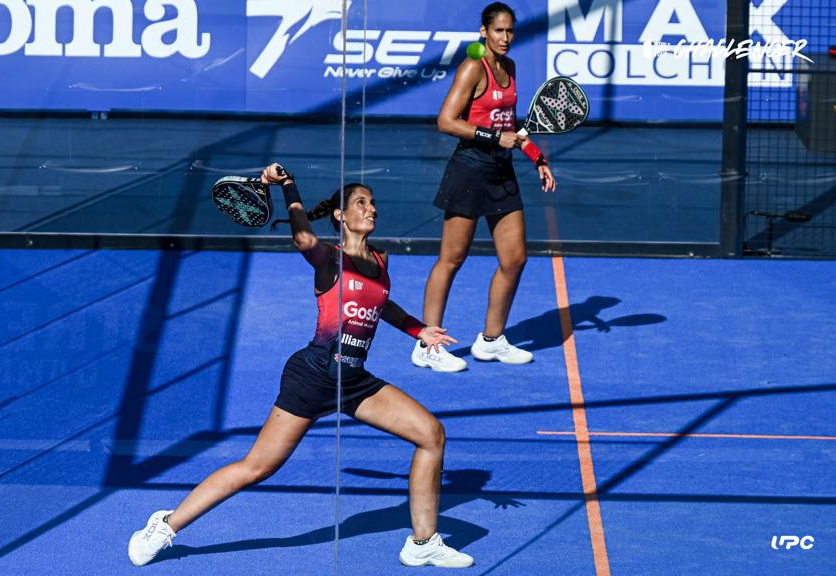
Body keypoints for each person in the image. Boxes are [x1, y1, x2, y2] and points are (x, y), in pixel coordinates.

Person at [128, 163, 474, 569]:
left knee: (431, 434)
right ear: (341, 216)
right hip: (312, 375)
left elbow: (382, 305)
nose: (372, 209)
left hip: (355, 380)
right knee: (257, 467)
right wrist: (289, 186)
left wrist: (419, 331)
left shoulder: (381, 261)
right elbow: (303, 236)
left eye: (374, 203)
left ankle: (422, 542)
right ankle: (166, 525)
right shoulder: (328, 259)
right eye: (362, 202)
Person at [412, 2, 556, 373]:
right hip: (469, 172)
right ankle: (427, 344)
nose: (506, 38)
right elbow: (446, 121)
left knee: (515, 260)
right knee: (452, 259)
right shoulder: (472, 69)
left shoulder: (510, 67)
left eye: (510, 31)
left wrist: (538, 158)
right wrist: (493, 136)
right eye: (498, 31)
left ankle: (491, 340)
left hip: (501, 174)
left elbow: (511, 125)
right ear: (484, 32)